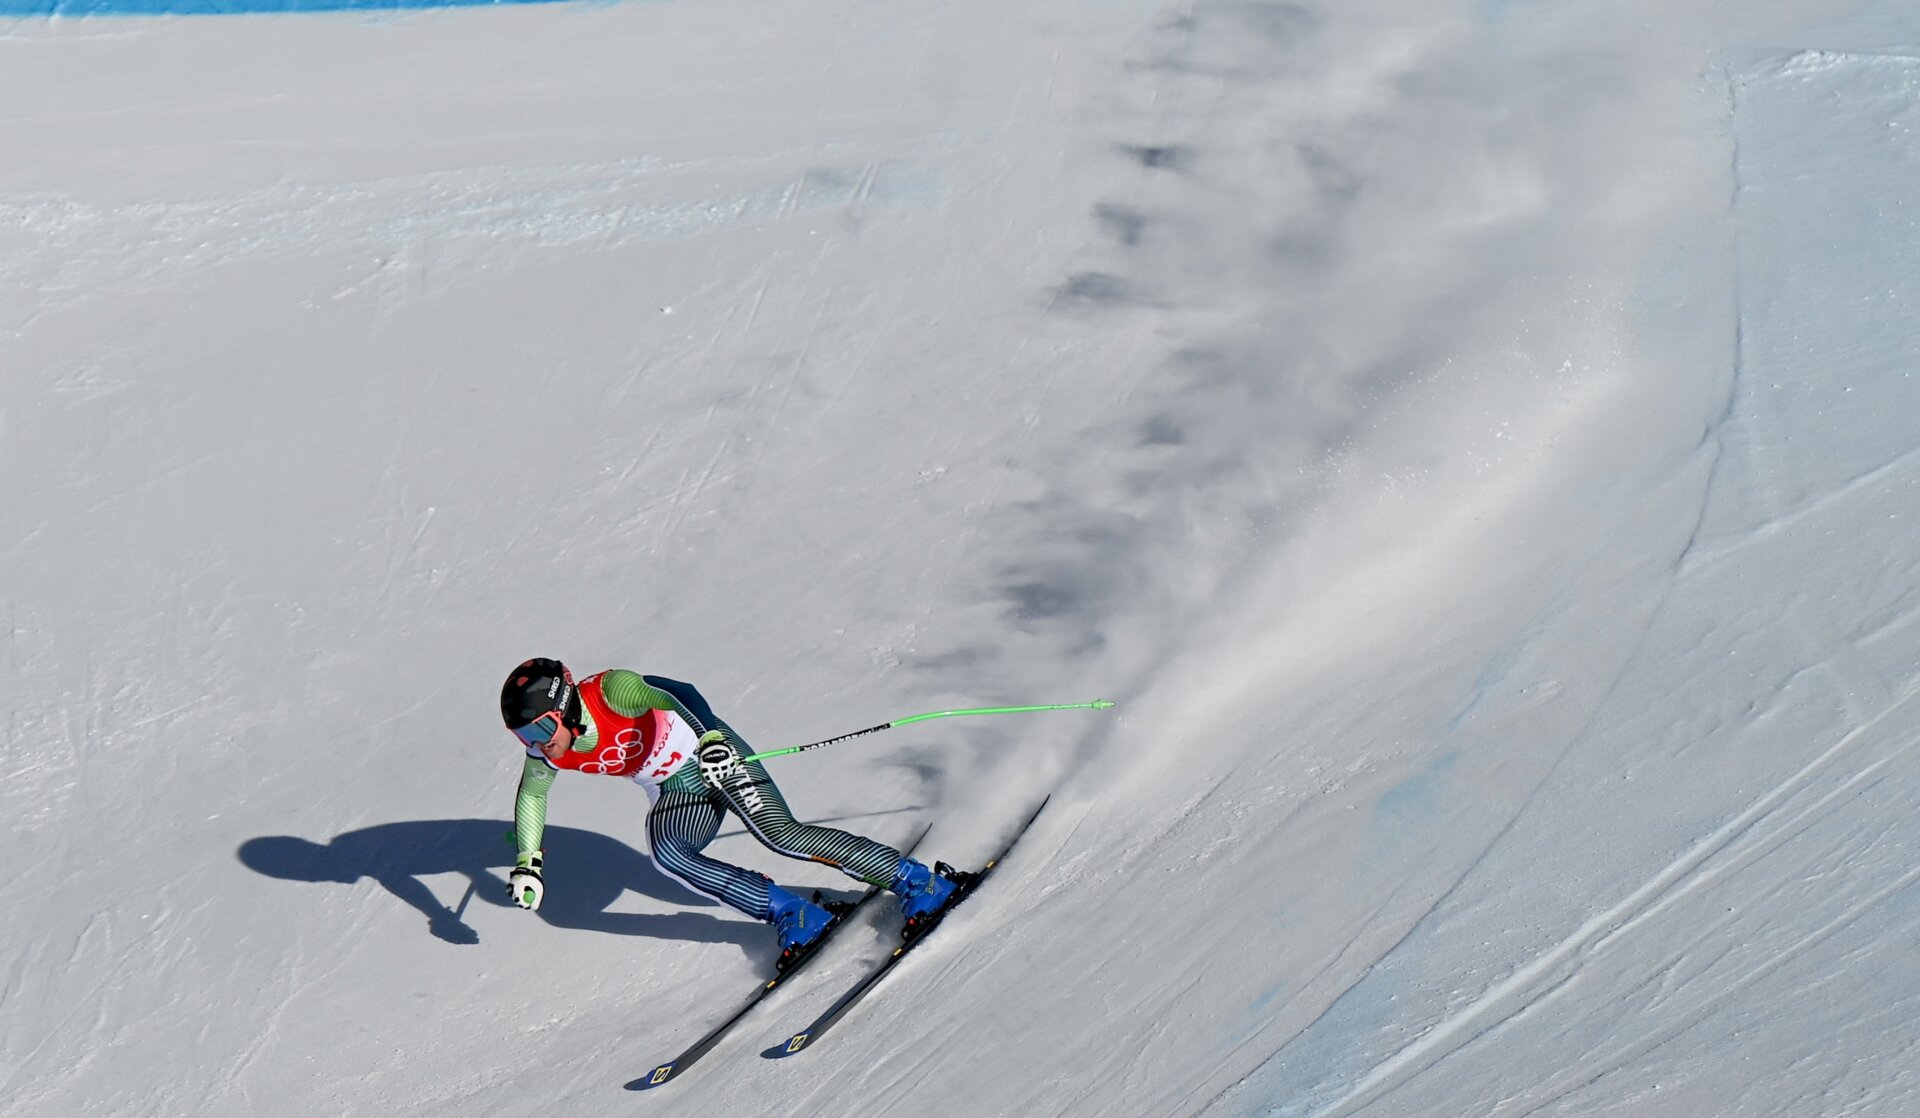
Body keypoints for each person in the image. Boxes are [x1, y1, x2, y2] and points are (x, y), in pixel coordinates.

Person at [499, 658, 963, 969]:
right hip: (676, 788)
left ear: (565, 707)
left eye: (541, 727)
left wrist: (710, 740)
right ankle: (794, 913)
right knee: (668, 853)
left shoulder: (610, 692)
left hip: (713, 757)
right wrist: (528, 864)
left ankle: (918, 881)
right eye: (524, 736)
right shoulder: (549, 753)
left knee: (781, 834)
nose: (537, 743)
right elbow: (532, 796)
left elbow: (678, 693)